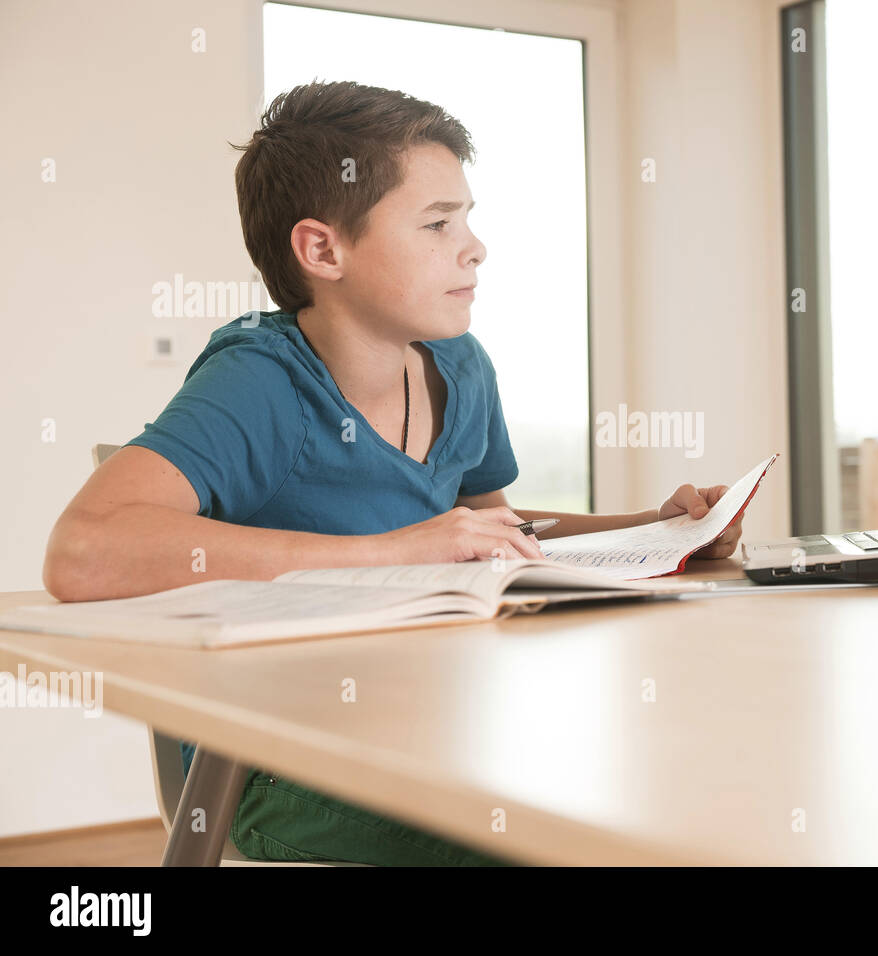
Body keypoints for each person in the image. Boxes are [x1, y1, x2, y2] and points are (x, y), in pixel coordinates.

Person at [42, 80, 747, 866]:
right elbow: (84, 550)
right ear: (322, 250)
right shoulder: (262, 381)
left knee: (668, 786)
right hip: (280, 761)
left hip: (433, 717)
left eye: (469, 220)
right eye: (439, 223)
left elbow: (491, 537)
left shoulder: (462, 368)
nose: (474, 246)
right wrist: (398, 548)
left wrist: (664, 530)